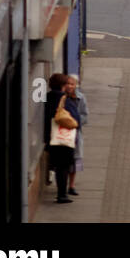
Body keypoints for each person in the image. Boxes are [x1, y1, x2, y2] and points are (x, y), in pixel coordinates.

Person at [44, 73, 80, 204]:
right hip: (64, 139)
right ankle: (62, 195)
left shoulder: (46, 98)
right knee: (63, 167)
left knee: (58, 166)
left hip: (51, 138)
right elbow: (75, 119)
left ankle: (61, 194)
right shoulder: (64, 99)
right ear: (62, 86)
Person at [65, 74, 88, 196]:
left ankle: (71, 185)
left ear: (76, 85)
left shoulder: (80, 98)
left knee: (74, 160)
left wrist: (76, 121)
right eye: (67, 83)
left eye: (72, 84)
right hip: (62, 133)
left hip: (75, 134)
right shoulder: (61, 97)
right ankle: (63, 185)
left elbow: (85, 115)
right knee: (64, 161)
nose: (69, 86)